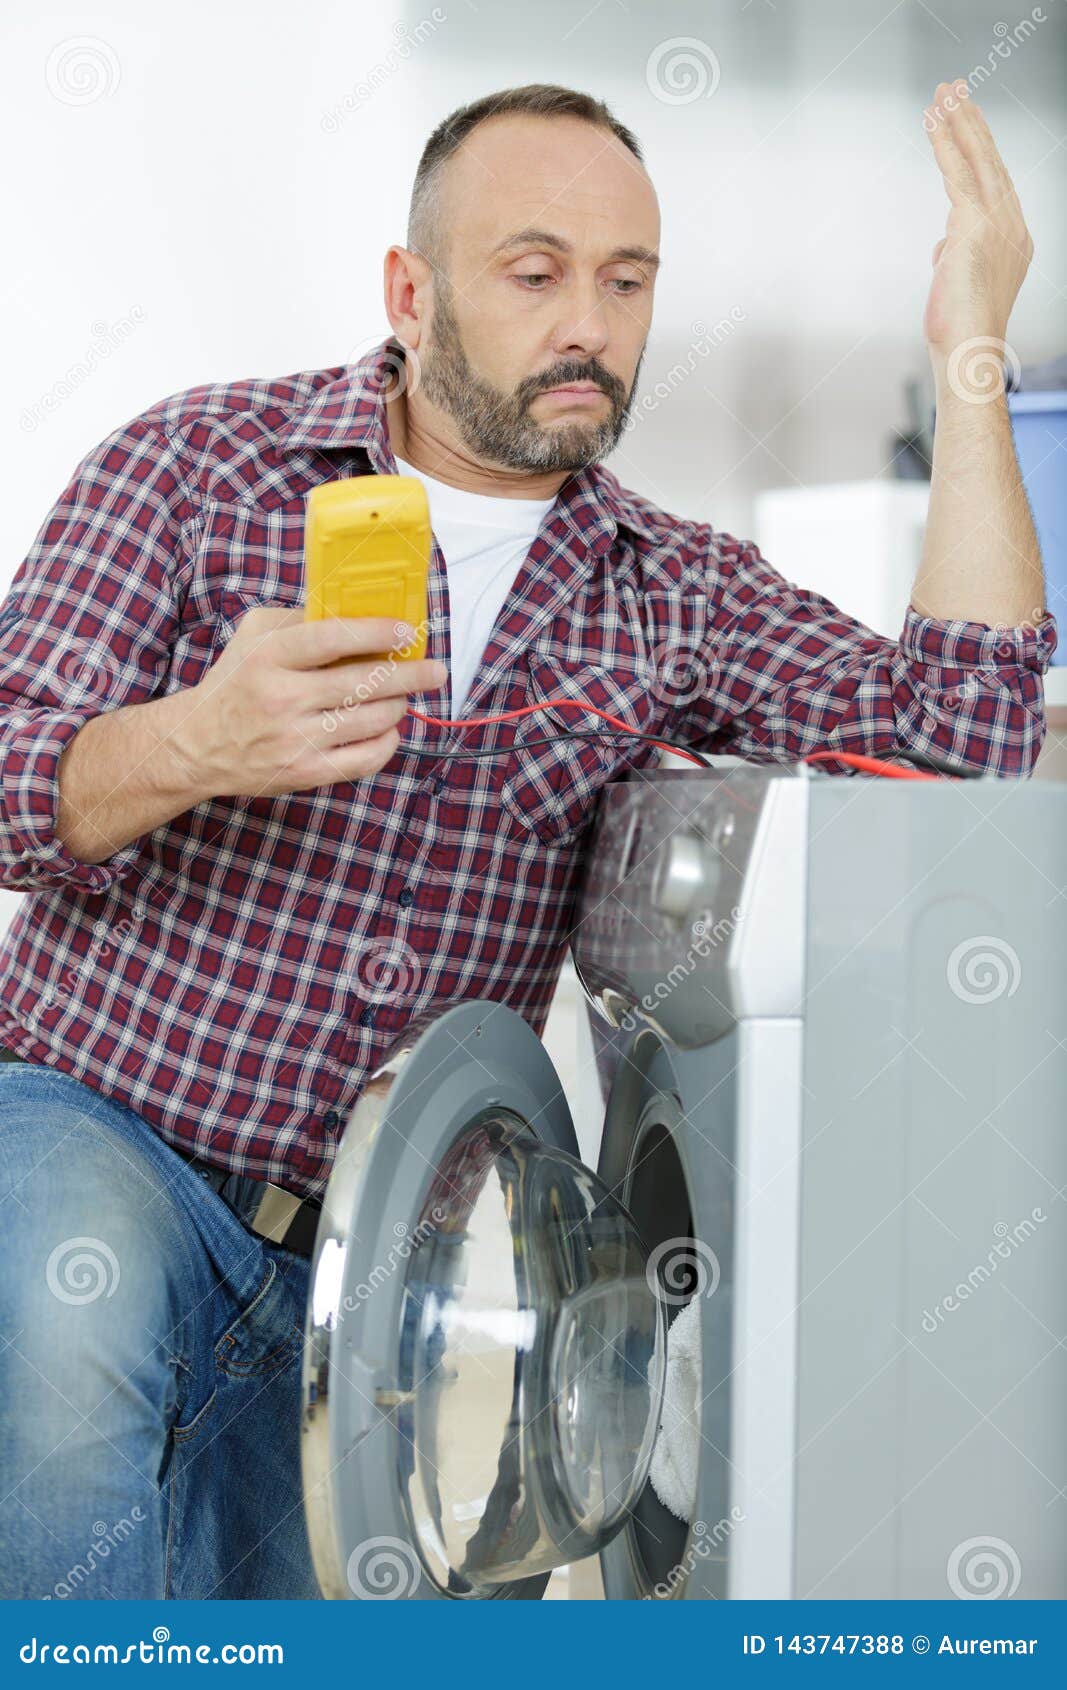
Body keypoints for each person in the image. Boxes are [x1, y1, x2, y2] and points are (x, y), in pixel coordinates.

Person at [0, 80, 1053, 1599]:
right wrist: (189, 743)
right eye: (536, 270)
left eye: (629, 281)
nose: (591, 323)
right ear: (409, 293)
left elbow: (968, 736)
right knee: (51, 1313)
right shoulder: (192, 467)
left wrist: (969, 353)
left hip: (383, 1273)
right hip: (104, 1136)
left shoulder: (670, 588)